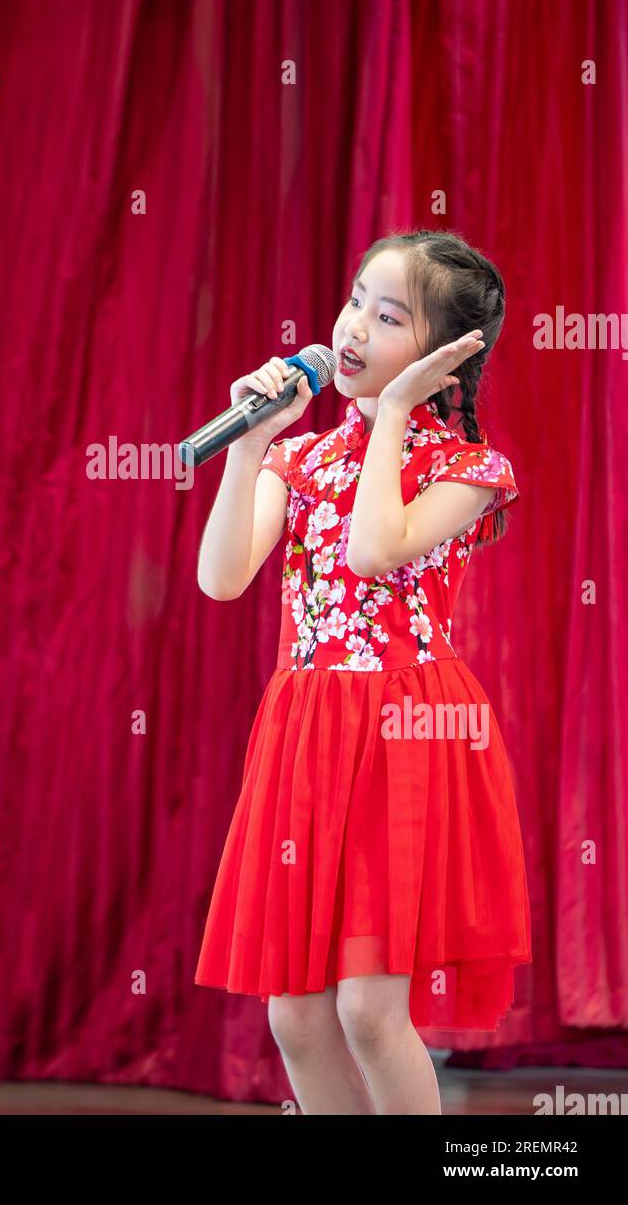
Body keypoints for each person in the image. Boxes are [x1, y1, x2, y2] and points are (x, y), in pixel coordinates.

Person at [193, 229, 532, 1115]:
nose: (351, 329)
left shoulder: (466, 468)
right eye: (354, 301)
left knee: (367, 1009)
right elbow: (221, 578)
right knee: (295, 1019)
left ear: (443, 359)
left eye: (388, 318)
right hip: (304, 733)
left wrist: (389, 420)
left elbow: (374, 547)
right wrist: (251, 443)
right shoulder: (300, 459)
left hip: (404, 733)